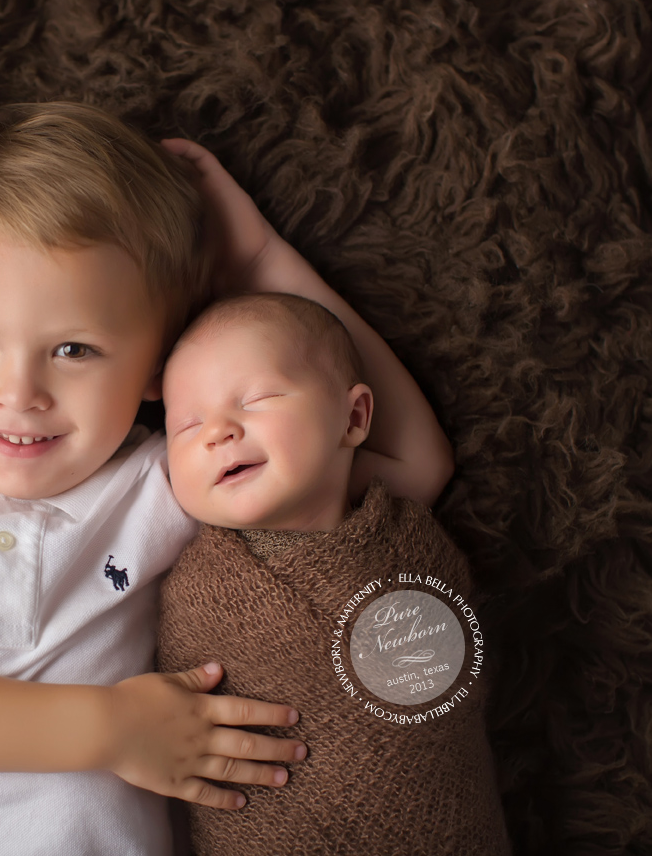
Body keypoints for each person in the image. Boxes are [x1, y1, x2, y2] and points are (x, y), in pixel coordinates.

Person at [0, 101, 446, 855]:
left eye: (74, 350)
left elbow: (410, 463)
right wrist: (112, 728)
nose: (20, 393)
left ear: (156, 367)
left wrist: (251, 261)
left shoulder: (166, 485)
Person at [155, 292, 511, 854]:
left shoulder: (403, 535)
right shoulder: (190, 582)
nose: (216, 431)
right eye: (186, 425)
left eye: (257, 399)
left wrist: (260, 252)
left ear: (354, 417)